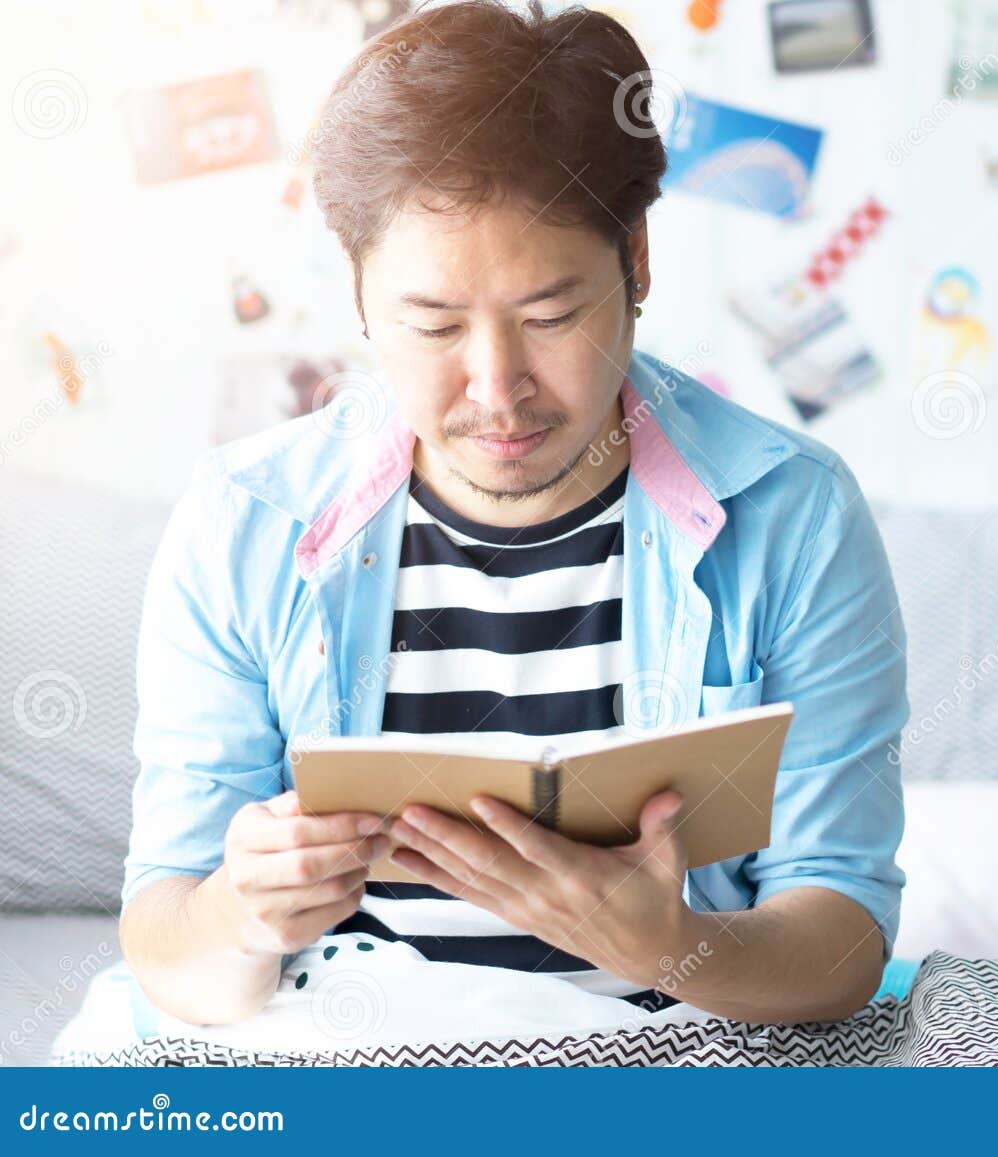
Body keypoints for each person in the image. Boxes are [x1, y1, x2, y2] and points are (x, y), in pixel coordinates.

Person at [118, 0, 907, 1030]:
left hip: (673, 1058)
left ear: (637, 263)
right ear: (358, 291)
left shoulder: (793, 515)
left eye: (550, 316)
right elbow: (168, 946)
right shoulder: (244, 522)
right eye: (433, 323)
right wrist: (240, 911)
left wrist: (667, 945)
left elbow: (840, 937)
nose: (496, 386)